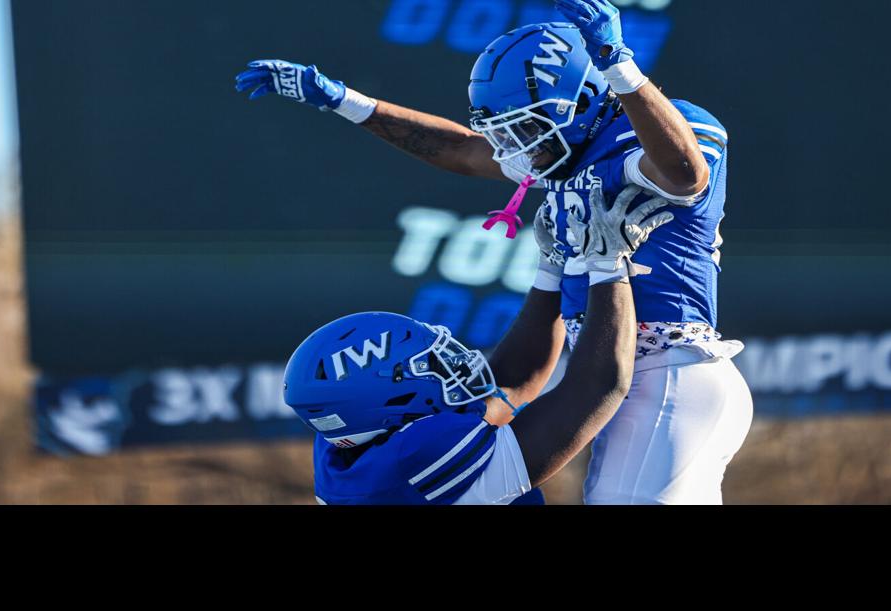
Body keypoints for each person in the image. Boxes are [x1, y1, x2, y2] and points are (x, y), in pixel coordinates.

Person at [236, 0, 752, 505]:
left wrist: (619, 63)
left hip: (672, 369)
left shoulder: (657, 131)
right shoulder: (567, 152)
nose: (514, 148)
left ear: (587, 99)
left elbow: (685, 173)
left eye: (524, 128)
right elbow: (464, 149)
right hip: (631, 371)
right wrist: (591, 266)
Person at [284, 186, 672, 505]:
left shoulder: (348, 442)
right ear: (393, 401)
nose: (453, 363)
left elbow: (513, 382)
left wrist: (552, 267)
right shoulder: (410, 462)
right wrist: (607, 266)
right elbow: (599, 385)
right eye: (430, 364)